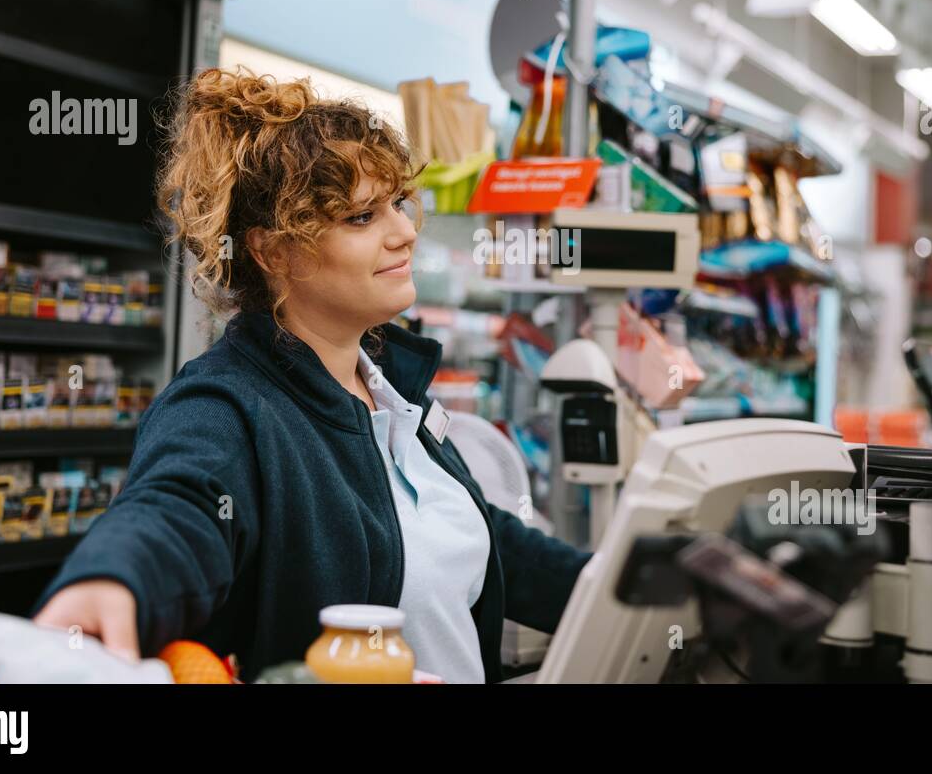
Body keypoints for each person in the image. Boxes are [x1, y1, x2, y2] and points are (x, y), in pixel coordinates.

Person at [33, 67, 591, 682]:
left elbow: (480, 537)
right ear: (273, 251)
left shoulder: (392, 391)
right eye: (362, 217)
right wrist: (114, 576)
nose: (405, 233)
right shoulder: (225, 405)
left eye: (398, 204)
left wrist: (625, 582)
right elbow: (178, 504)